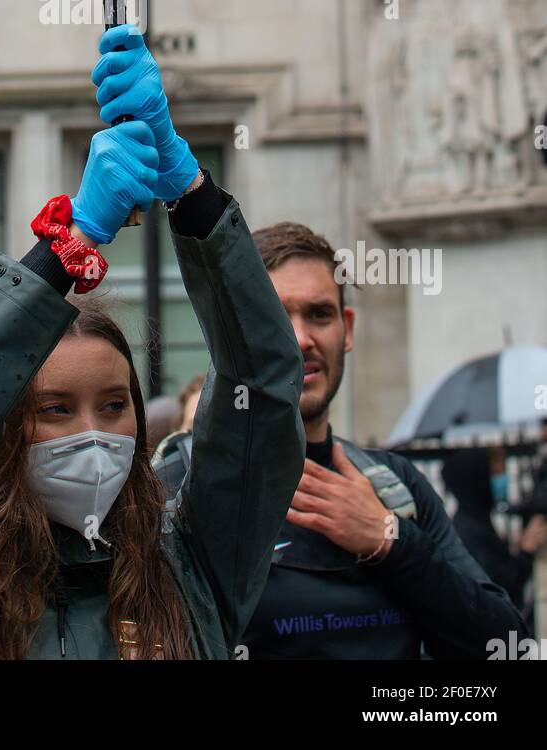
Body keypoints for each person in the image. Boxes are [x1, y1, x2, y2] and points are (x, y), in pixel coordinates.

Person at [0, 27, 304, 660]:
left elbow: (263, 390)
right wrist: (70, 243)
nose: (91, 434)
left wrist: (190, 191)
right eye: (55, 409)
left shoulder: (193, 567)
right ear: (7, 428)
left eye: (115, 405)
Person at [155, 222, 529, 659]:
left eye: (319, 314)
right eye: (274, 318)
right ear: (234, 335)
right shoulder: (178, 486)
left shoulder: (395, 485)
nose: (299, 340)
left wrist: (390, 541)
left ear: (347, 329)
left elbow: (505, 644)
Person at [441, 446, 546, 618]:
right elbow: (498, 587)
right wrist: (525, 552)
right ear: (477, 480)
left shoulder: (477, 522)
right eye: (496, 473)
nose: (502, 479)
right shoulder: (468, 531)